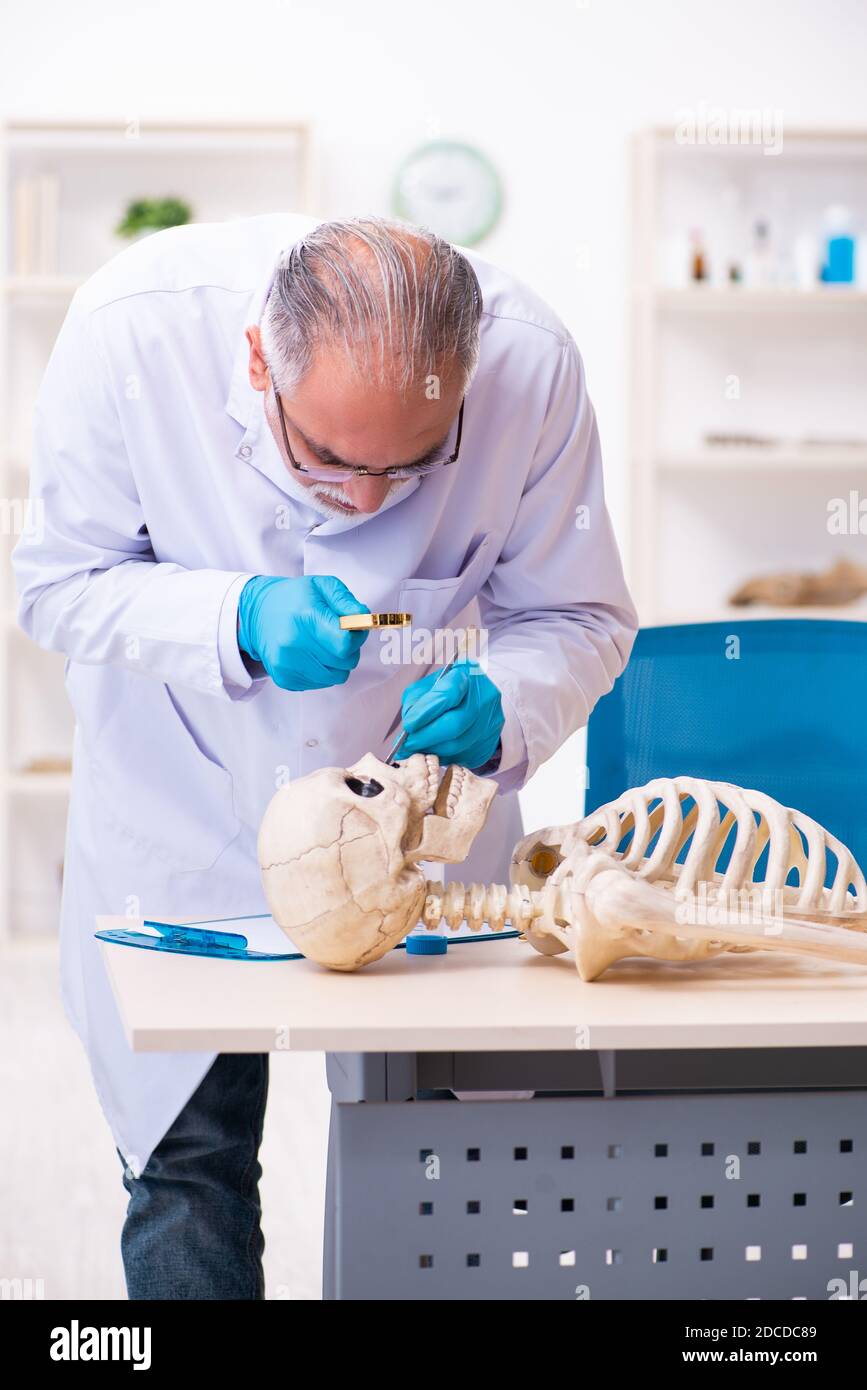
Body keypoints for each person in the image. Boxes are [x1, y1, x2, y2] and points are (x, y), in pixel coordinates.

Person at [13, 213, 637, 1298]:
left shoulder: (530, 368)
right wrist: (235, 618)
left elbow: (579, 616)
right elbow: (54, 585)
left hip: (422, 852)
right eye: (330, 459)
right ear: (259, 358)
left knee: (451, 1166)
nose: (365, 502)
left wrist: (508, 701)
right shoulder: (131, 334)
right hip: (185, 814)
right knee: (188, 1169)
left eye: (412, 471)